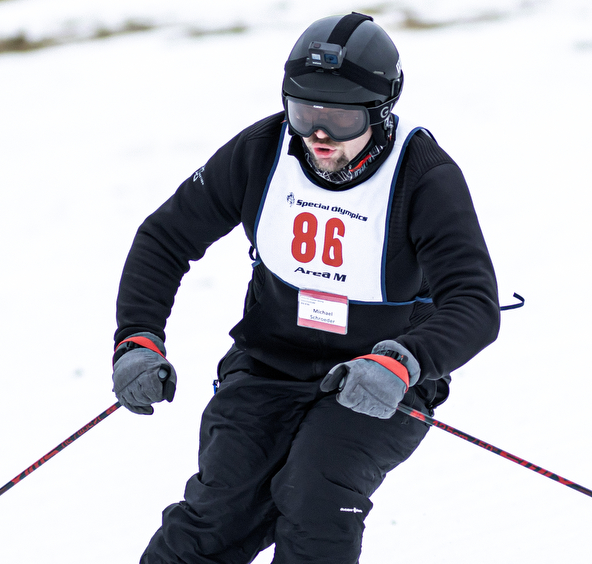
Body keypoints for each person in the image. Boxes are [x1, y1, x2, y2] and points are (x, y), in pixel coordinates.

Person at [112, 12, 501, 564]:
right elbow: (165, 237)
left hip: (380, 380)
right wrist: (138, 340)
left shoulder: (424, 177)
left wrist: (404, 362)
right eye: (303, 110)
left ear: (381, 110)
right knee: (217, 514)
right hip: (268, 363)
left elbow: (475, 304)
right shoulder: (261, 152)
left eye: (340, 119)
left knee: (315, 500)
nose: (318, 134)